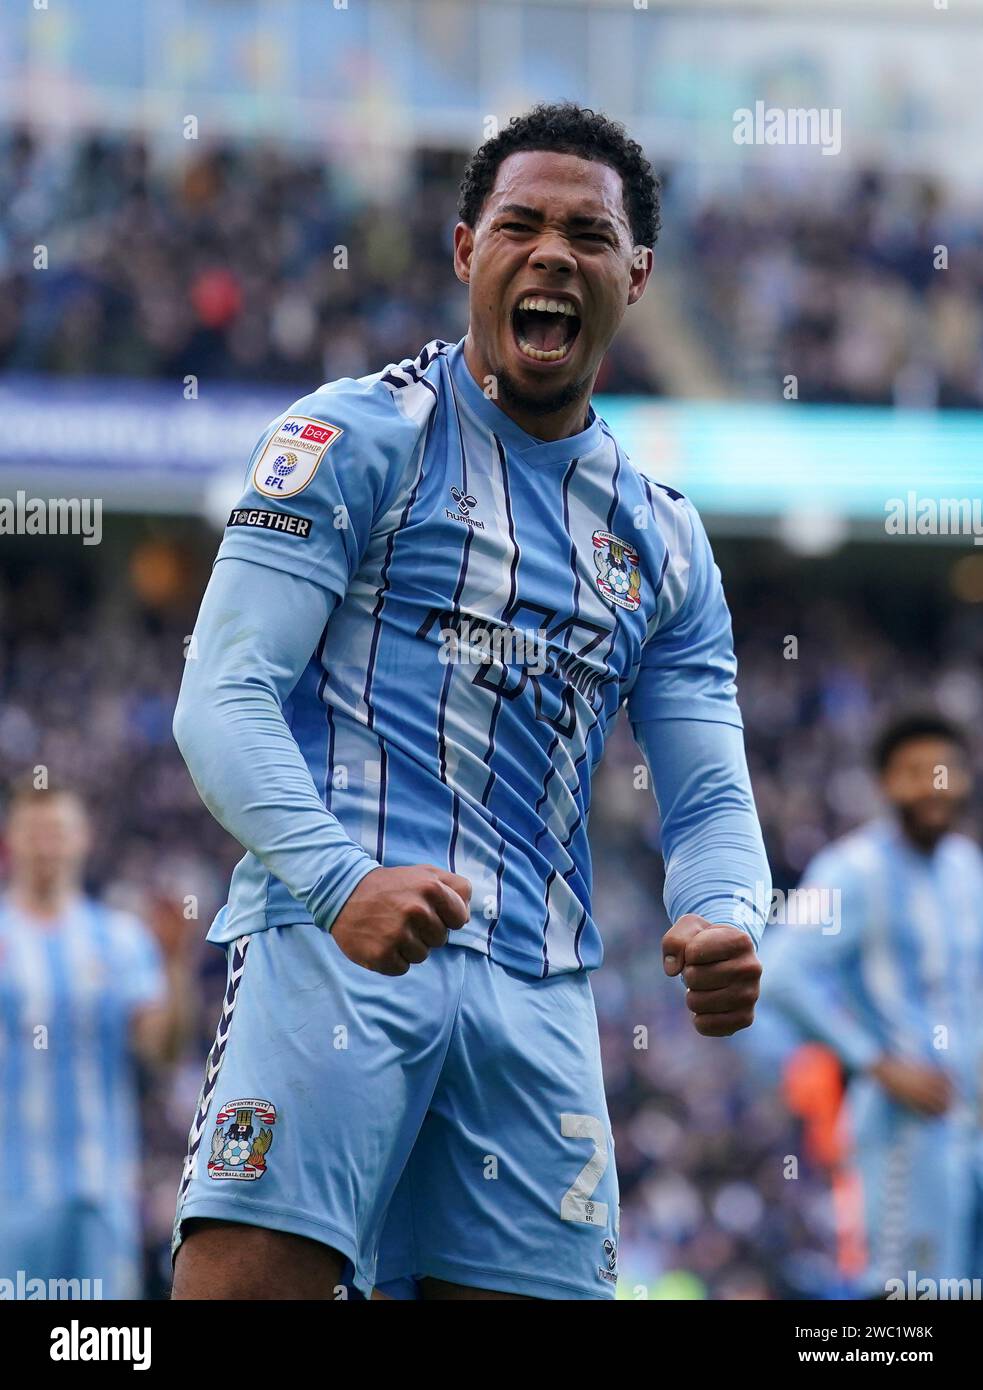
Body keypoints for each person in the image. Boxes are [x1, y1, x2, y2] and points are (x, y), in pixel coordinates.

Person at [170, 101, 770, 1302]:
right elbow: (221, 697)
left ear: (635, 274)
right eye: (520, 226)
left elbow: (707, 794)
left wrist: (725, 912)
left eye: (588, 237)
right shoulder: (354, 436)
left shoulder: (661, 537)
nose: (552, 254)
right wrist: (341, 881)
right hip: (331, 948)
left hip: (538, 991)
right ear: (465, 252)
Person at [760, 712, 983, 1295]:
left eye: (946, 772)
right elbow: (781, 972)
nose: (934, 786)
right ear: (886, 784)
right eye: (915, 772)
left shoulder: (967, 869)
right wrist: (878, 1064)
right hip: (909, 1130)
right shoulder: (853, 870)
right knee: (911, 1300)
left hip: (971, 1125)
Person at [0, 781, 189, 1298]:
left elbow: (160, 1053)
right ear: (12, 839)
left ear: (82, 838)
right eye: (35, 832)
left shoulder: (120, 940)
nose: (47, 845)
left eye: (58, 831)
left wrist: (175, 965)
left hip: (100, 1192)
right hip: (9, 1199)